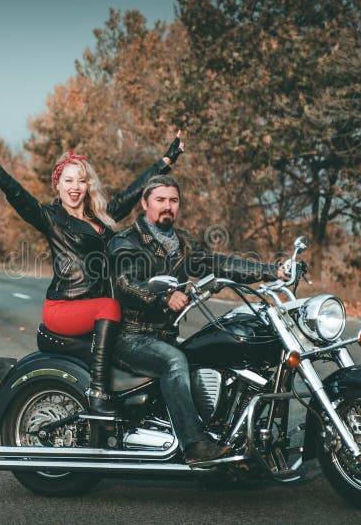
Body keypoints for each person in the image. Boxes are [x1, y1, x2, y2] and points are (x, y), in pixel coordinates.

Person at [0, 126, 182, 414]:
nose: (75, 187)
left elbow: (132, 193)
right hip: (64, 308)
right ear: (58, 185)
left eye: (82, 181)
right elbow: (15, 192)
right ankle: (98, 392)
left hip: (94, 310)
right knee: (110, 307)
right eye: (69, 180)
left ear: (88, 186)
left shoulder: (100, 217)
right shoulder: (51, 219)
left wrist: (166, 160)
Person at [107, 175, 289, 463]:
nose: (168, 206)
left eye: (173, 201)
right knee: (173, 361)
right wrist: (163, 296)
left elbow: (219, 264)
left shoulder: (181, 243)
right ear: (144, 203)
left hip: (165, 335)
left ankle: (230, 437)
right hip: (132, 336)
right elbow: (125, 283)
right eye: (161, 200)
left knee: (219, 352)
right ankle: (194, 445)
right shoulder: (125, 241)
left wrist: (272, 270)